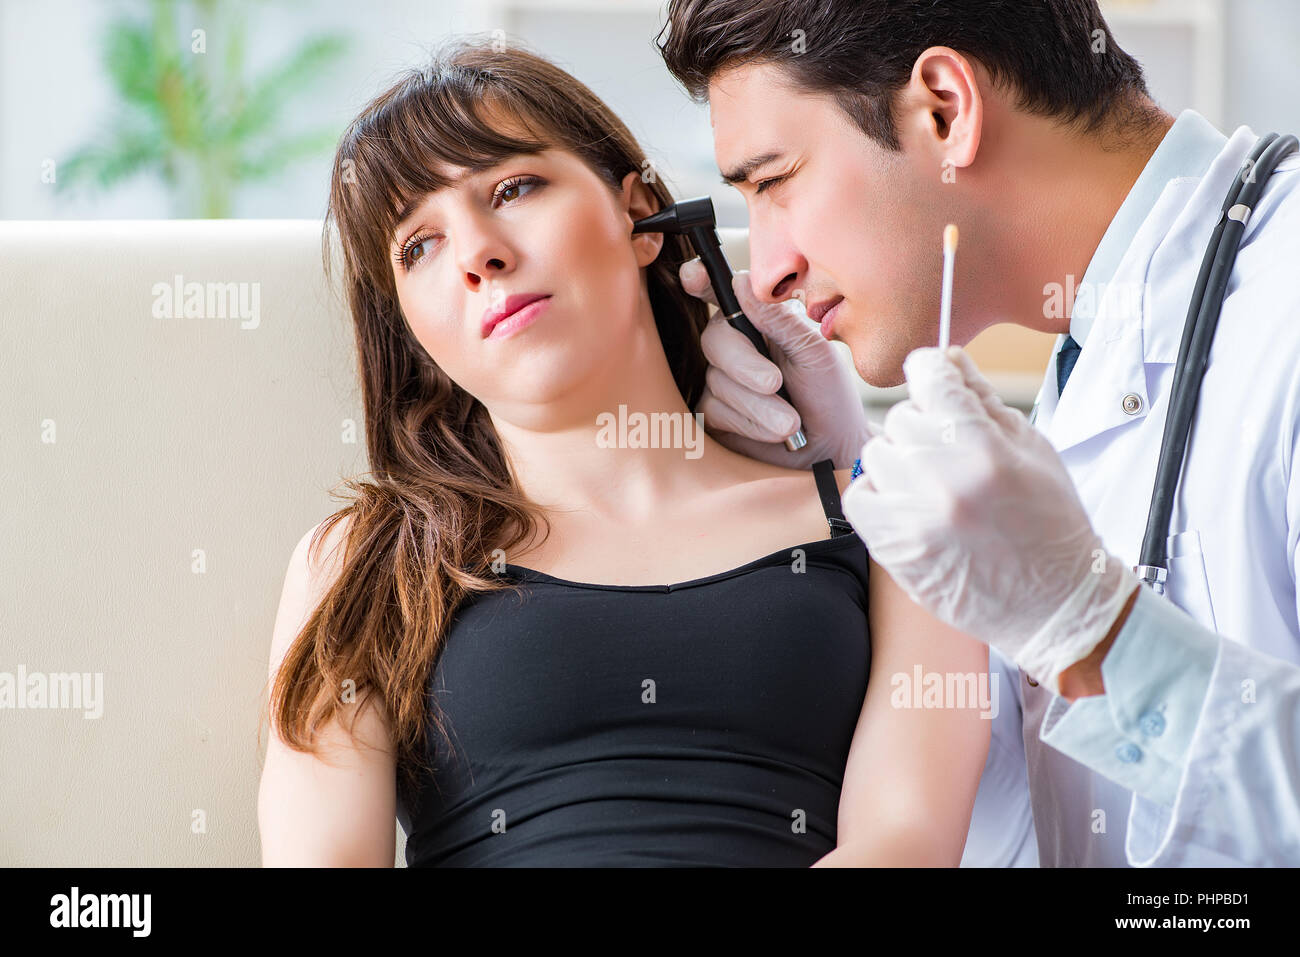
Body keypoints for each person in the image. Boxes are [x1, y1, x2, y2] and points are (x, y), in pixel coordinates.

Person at [256, 39, 991, 868]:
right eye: (417, 245)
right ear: (408, 329)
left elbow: (909, 839)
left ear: (639, 215)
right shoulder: (365, 560)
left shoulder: (893, 518)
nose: (475, 255)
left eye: (513, 187)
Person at [658, 0, 1300, 865]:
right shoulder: (1083, 372)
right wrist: (854, 473)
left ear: (945, 111)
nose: (767, 275)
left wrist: (1092, 628)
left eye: (773, 181)